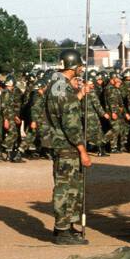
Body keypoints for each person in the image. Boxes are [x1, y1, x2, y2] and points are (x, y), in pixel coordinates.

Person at [43, 50, 92, 244]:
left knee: (72, 188)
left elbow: (64, 107)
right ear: (73, 67)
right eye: (79, 66)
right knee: (67, 188)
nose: (81, 69)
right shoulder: (63, 88)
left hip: (58, 143)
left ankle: (67, 226)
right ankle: (62, 230)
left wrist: (79, 95)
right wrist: (83, 151)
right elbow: (71, 125)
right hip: (67, 146)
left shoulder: (56, 85)